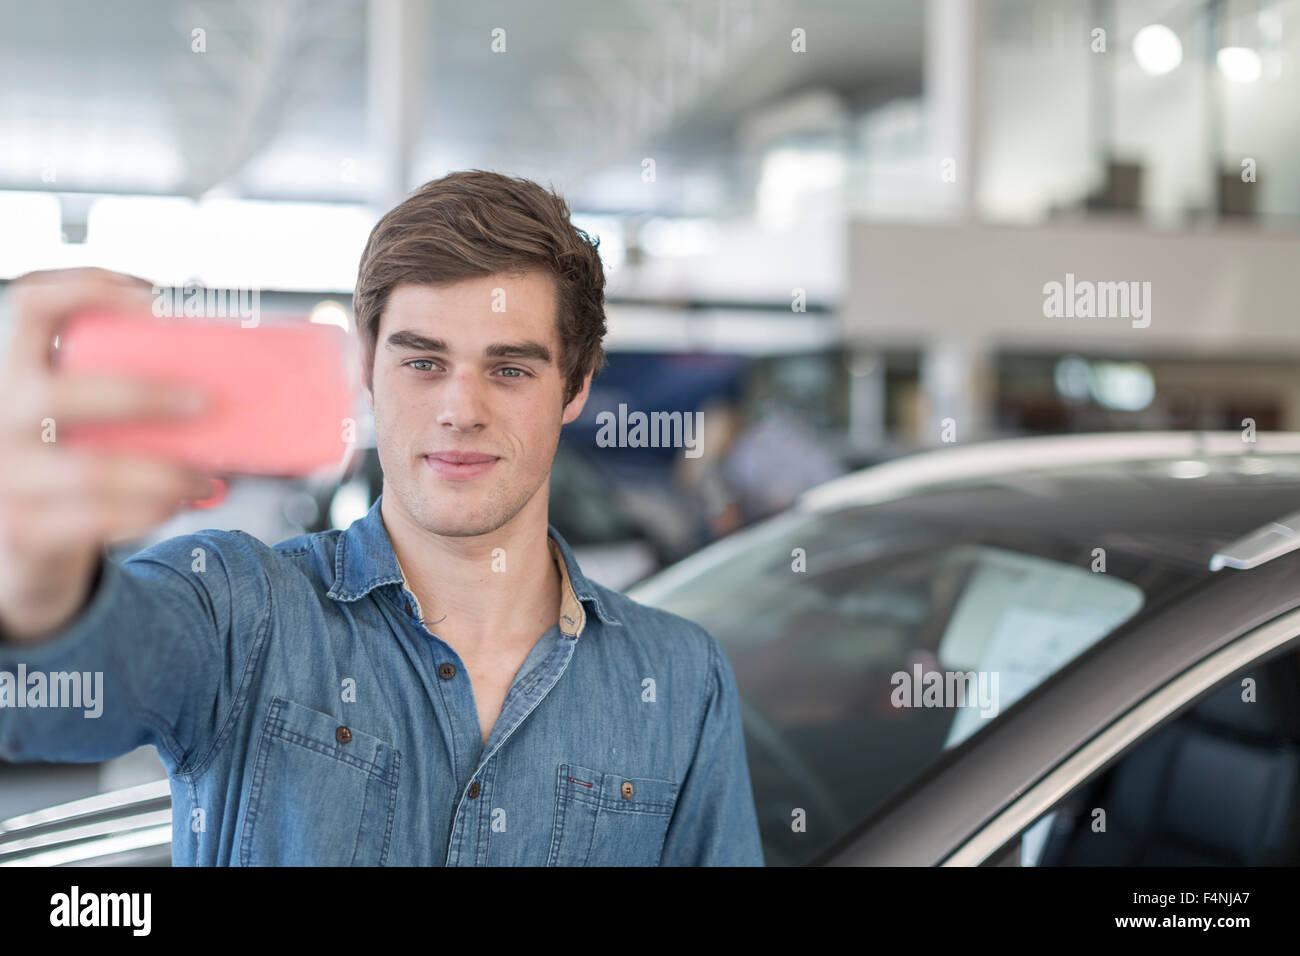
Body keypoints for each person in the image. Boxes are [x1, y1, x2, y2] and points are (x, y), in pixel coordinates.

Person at [0, 170, 765, 866]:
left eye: (509, 369)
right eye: (423, 362)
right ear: (368, 364)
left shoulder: (679, 679)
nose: (461, 410)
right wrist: (33, 584)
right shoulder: (240, 608)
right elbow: (57, 695)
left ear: (575, 388)